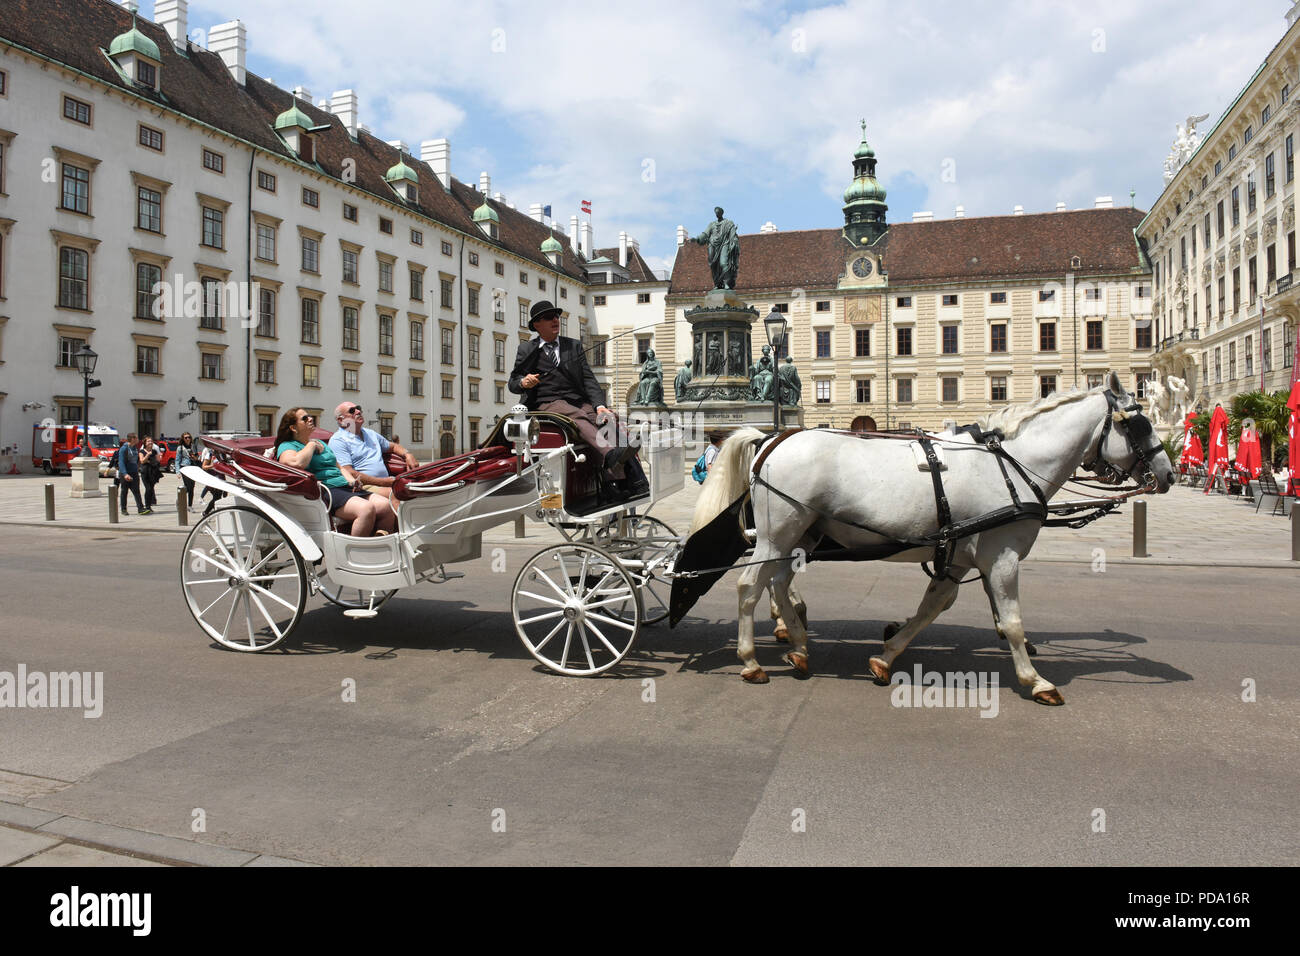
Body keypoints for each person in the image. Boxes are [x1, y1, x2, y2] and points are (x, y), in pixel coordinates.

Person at [509, 299, 648, 500]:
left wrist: (600, 406)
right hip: (547, 403)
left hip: (577, 400)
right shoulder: (526, 350)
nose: (555, 320)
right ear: (537, 324)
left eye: (556, 315)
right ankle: (610, 455)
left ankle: (619, 480)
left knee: (607, 420)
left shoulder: (572, 346)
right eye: (549, 317)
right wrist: (524, 382)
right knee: (577, 415)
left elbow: (589, 378)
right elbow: (513, 382)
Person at [276, 408, 395, 536]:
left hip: (344, 487)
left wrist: (352, 481)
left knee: (386, 506)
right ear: (293, 428)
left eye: (310, 416)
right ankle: (355, 552)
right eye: (304, 418)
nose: (310, 419)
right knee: (366, 509)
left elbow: (340, 467)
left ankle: (379, 544)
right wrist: (311, 446)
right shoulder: (287, 445)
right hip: (327, 490)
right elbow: (295, 463)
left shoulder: (321, 443)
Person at [327, 403, 419, 499]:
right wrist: (382, 482)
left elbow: (393, 446)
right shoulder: (338, 440)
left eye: (358, 408)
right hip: (362, 486)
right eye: (352, 411)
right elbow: (348, 472)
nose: (358, 411)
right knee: (399, 494)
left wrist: (408, 455)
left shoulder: (370, 433)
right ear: (341, 420)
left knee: (419, 489)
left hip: (385, 482)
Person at [118, 433, 148, 515]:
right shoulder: (124, 449)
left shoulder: (135, 448)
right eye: (137, 438)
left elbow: (137, 460)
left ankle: (140, 508)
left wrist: (138, 468)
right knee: (124, 491)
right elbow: (121, 462)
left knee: (136, 491)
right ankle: (123, 509)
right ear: (132, 439)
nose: (138, 440)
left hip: (134, 473)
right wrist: (125, 474)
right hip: (126, 473)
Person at [139, 436, 162, 510]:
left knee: (151, 489)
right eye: (148, 441)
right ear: (145, 443)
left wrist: (159, 456)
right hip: (145, 472)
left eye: (151, 441)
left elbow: (158, 460)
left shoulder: (154, 451)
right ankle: (147, 506)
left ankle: (149, 505)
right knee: (148, 488)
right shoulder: (142, 451)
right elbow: (142, 461)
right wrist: (148, 455)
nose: (150, 442)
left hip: (153, 472)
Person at [176, 433, 196, 509]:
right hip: (185, 467)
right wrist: (178, 472)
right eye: (186, 437)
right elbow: (177, 460)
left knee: (192, 487)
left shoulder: (193, 446)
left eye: (189, 437)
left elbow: (197, 457)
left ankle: (190, 506)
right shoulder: (180, 448)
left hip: (193, 467)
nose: (188, 439)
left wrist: (195, 457)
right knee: (188, 487)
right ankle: (180, 499)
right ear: (183, 439)